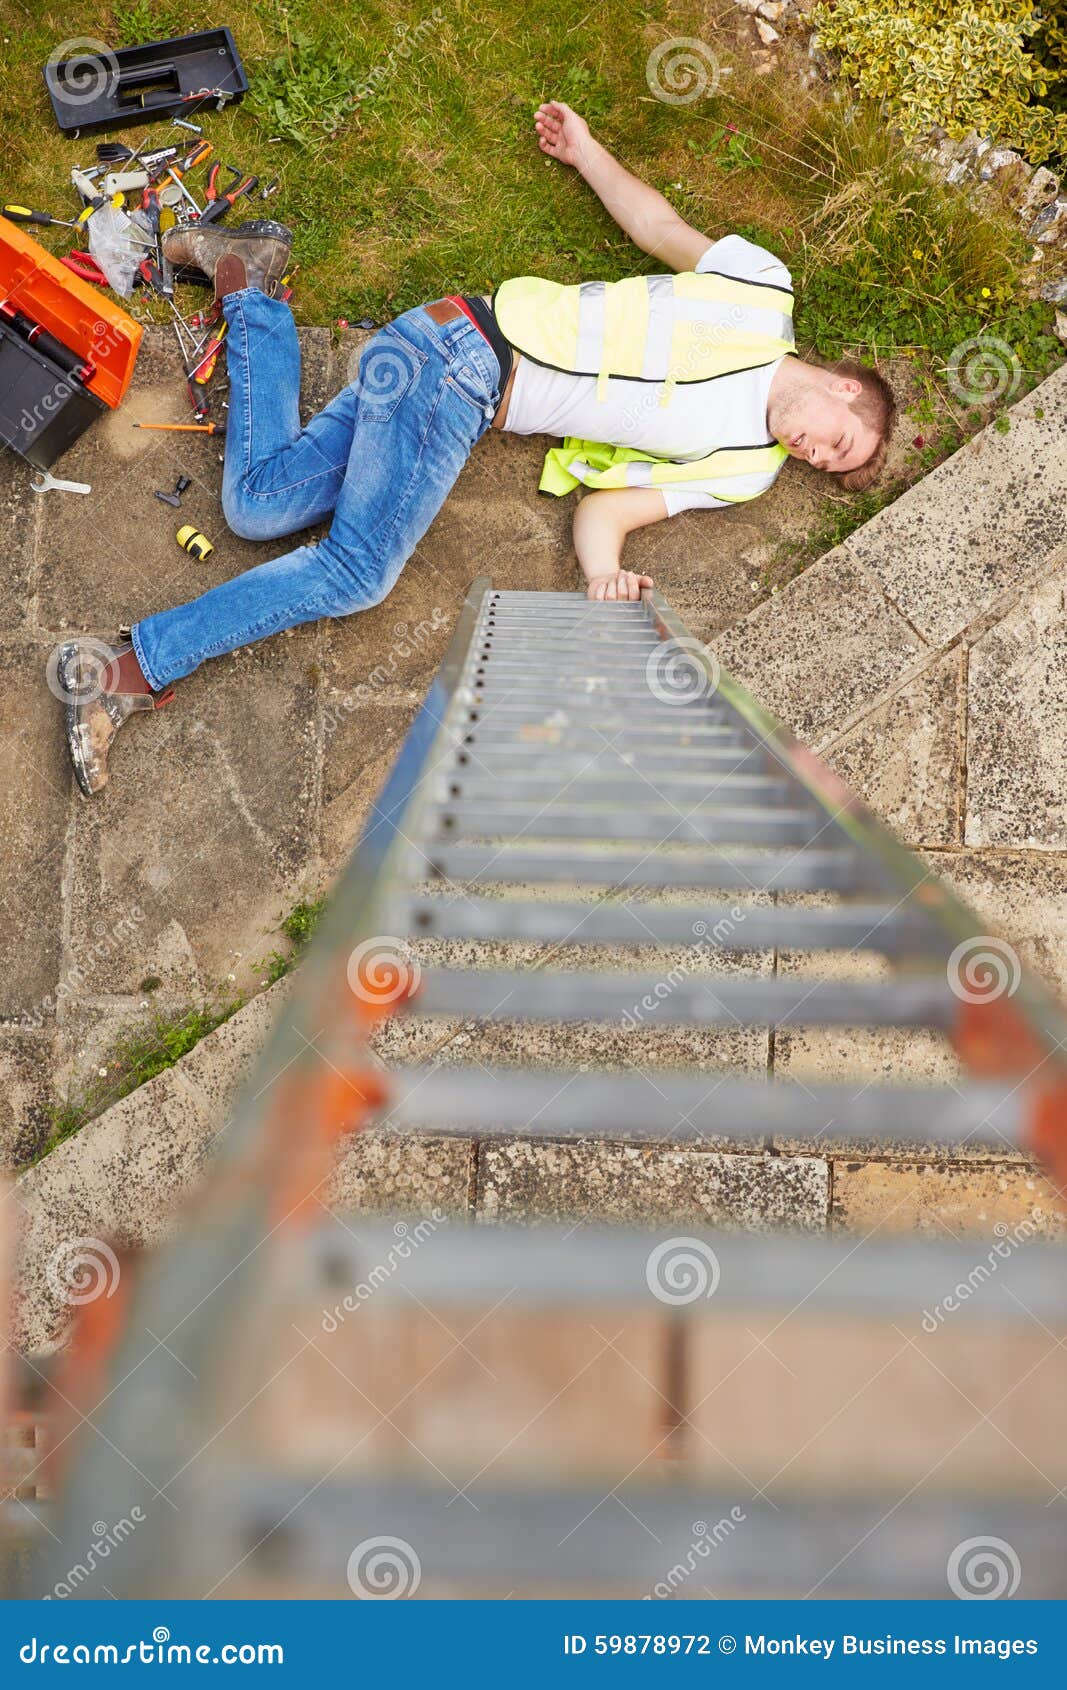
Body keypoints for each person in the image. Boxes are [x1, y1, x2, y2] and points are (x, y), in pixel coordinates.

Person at [57, 100, 895, 796]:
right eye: (840, 441)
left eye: (828, 465)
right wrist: (589, 153)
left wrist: (604, 572)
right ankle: (127, 670)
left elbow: (610, 508)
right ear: (847, 389)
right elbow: (661, 227)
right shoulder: (761, 289)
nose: (817, 453)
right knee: (356, 574)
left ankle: (249, 279)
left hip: (431, 364)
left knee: (259, 504)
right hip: (466, 357)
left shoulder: (748, 469)